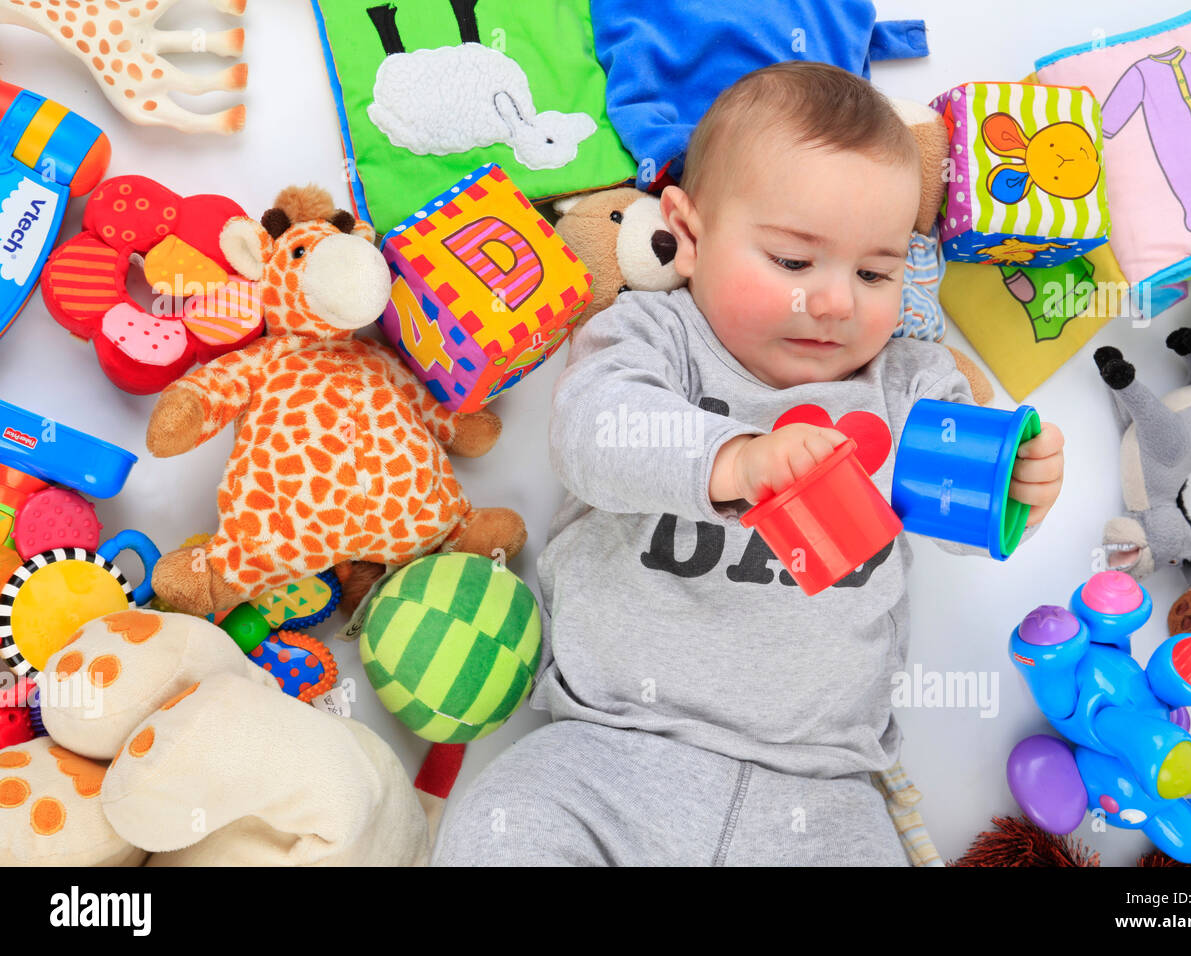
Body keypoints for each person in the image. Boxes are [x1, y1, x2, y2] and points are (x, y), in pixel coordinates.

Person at [434, 61, 1065, 866]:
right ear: (688, 237)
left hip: (825, 790)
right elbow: (592, 435)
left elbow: (966, 516)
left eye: (874, 272)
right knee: (504, 821)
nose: (834, 301)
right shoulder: (653, 339)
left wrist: (1018, 485)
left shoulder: (909, 383)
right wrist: (730, 461)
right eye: (794, 263)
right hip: (611, 753)